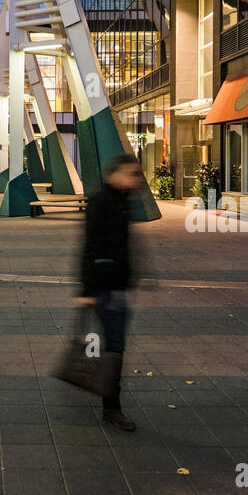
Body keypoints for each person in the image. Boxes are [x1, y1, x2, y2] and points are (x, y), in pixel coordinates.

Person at [75, 154, 151, 431]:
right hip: (103, 288)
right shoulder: (100, 202)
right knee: (115, 348)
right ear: (114, 174)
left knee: (115, 346)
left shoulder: (122, 201)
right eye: (131, 174)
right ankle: (111, 407)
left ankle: (110, 401)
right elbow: (89, 246)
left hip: (117, 288)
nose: (135, 179)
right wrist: (86, 289)